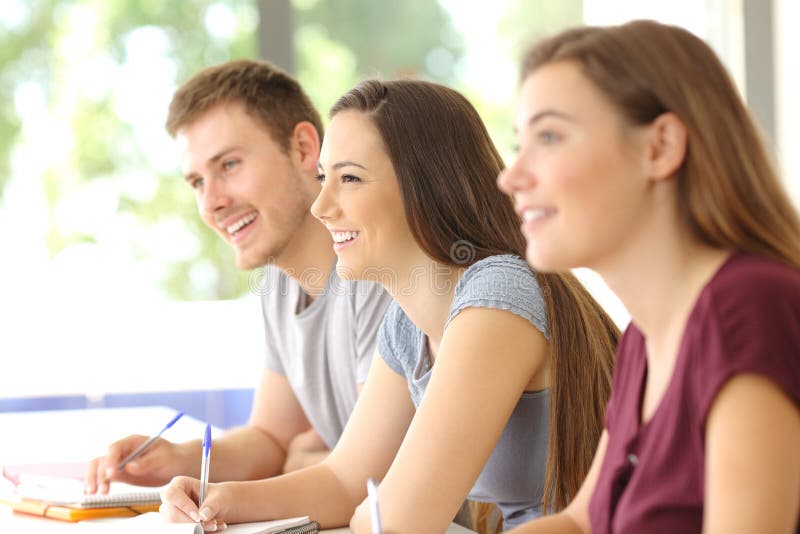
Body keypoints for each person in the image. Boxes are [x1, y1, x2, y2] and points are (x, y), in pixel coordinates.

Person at [158, 79, 619, 534]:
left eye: (350, 179)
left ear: (426, 186)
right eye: (324, 178)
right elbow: (345, 480)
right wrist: (219, 497)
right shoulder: (405, 323)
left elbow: (396, 521)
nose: (322, 206)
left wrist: (365, 508)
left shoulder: (498, 296)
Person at [498, 20, 800, 533]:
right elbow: (582, 522)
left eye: (548, 136)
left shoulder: (749, 309)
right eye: (519, 142)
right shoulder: (645, 335)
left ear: (659, 147)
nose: (511, 176)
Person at [84, 60, 392, 494]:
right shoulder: (280, 284)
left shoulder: (374, 269)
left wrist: (299, 466)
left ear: (305, 149)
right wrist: (177, 459)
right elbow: (270, 437)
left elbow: (370, 474)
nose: (211, 204)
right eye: (196, 182)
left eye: (228, 165)